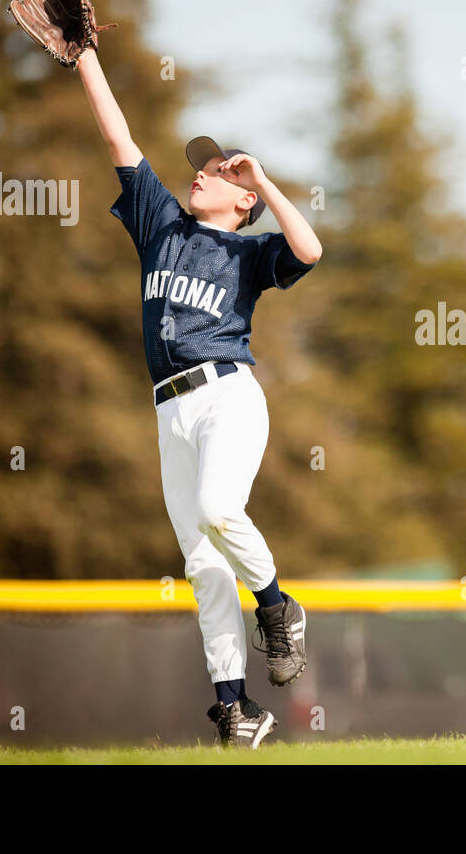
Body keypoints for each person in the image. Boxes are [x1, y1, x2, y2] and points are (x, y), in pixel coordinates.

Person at [74, 48, 321, 748]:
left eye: (216, 170)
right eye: (204, 166)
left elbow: (309, 251)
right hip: (169, 410)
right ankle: (236, 709)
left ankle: (277, 607)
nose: (201, 172)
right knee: (203, 565)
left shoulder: (248, 253)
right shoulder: (162, 227)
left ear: (241, 201)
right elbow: (119, 139)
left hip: (226, 397)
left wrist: (263, 180)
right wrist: (86, 56)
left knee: (219, 509)